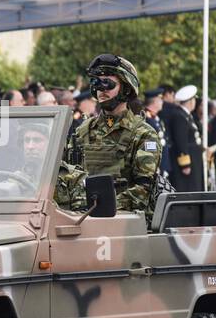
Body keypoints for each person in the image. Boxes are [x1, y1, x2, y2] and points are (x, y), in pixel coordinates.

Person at [64, 54, 162, 215]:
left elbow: (143, 190)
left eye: (108, 84)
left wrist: (99, 207)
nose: (101, 90)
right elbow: (66, 175)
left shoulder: (143, 134)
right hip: (80, 219)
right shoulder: (82, 131)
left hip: (124, 222)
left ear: (126, 88)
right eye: (96, 83)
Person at [166, 85, 203, 192]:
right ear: (191, 101)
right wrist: (185, 164)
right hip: (187, 160)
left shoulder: (186, 115)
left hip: (194, 157)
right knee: (188, 189)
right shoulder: (179, 116)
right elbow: (180, 141)